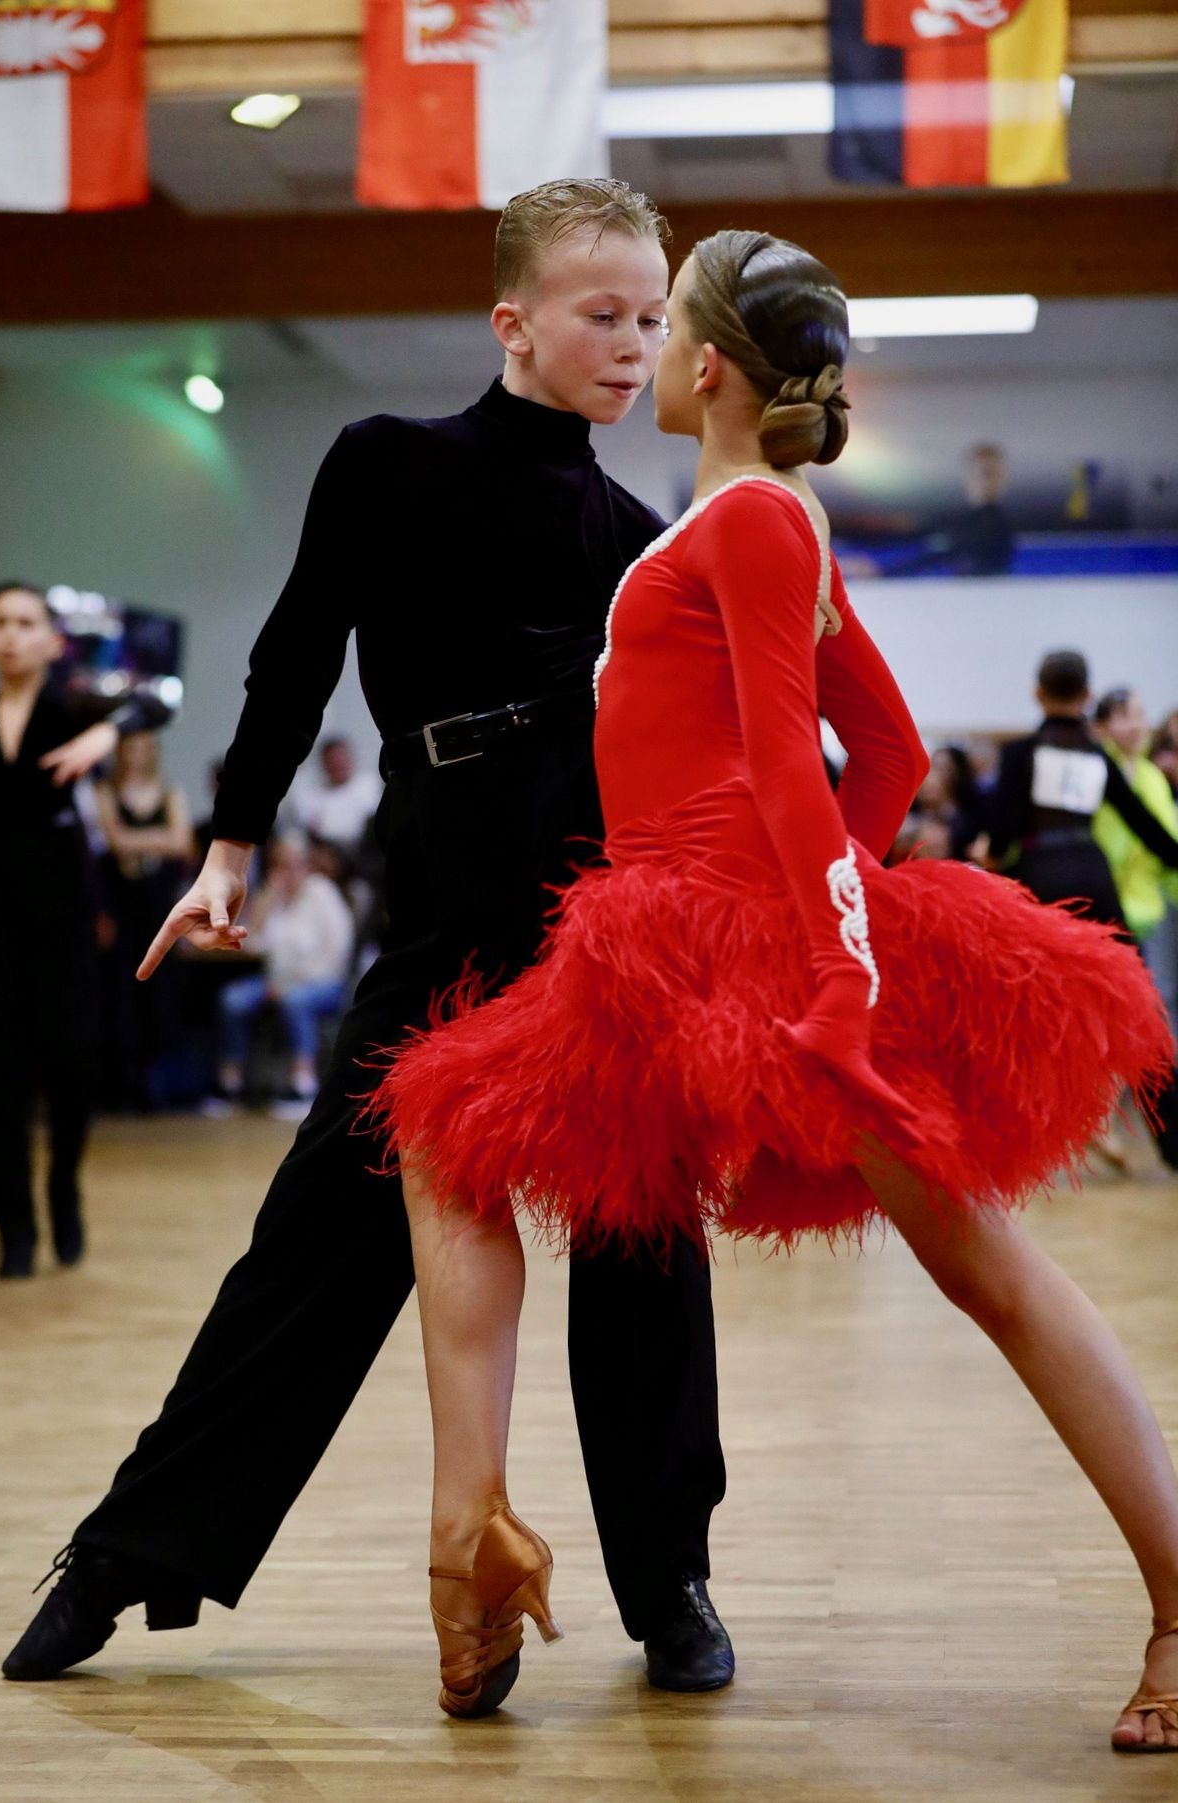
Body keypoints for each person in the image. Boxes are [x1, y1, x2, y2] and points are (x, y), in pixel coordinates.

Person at [376, 231, 1178, 1751]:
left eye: (663, 319)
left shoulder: (749, 519)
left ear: (706, 365)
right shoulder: (761, 520)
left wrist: (828, 961)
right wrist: (810, 908)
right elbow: (893, 751)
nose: (646, 347)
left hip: (733, 944)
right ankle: (467, 1532)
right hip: (677, 943)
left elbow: (789, 769)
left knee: (988, 1269)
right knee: (445, 1130)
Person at [3, 179, 733, 1700]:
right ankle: (128, 1552)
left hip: (605, 918)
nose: (634, 342)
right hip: (447, 910)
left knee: (644, 1240)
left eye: (652, 318)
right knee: (317, 1236)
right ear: (513, 321)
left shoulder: (639, 538)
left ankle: (671, 1579)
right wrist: (229, 847)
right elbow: (292, 655)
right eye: (604, 313)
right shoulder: (389, 462)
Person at [0, 582, 170, 1278]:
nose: (9, 634)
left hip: (62, 915)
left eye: (24, 622)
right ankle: (15, 1232)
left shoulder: (72, 710)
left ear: (52, 641)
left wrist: (107, 733)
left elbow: (160, 700)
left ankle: (63, 1192)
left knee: (72, 1066)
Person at [986, 651, 1178, 924]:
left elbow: (1004, 825)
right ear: (1088, 696)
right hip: (1092, 875)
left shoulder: (1020, 753)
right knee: (1114, 950)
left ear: (1038, 694)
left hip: (1038, 873)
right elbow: (1142, 820)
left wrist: (993, 854)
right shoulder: (1098, 756)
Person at [1092, 687, 1178, 1170]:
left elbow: (1168, 841)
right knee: (1119, 1021)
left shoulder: (1148, 776)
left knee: (1140, 1020)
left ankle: (1105, 1120)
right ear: (1103, 726)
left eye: (1140, 715)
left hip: (1146, 912)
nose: (1135, 724)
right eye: (1124, 716)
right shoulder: (1096, 771)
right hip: (1104, 911)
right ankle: (1099, 1120)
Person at [216, 831, 354, 1110]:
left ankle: (303, 1085)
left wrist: (298, 983)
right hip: (275, 982)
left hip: (322, 983)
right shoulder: (273, 896)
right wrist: (264, 904)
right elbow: (253, 945)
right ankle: (231, 1083)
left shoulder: (322, 892)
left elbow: (341, 948)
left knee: (295, 1001)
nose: (286, 872)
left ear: (306, 865)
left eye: (293, 865)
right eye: (279, 865)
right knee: (232, 999)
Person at [94, 731, 195, 1112]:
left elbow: (182, 842)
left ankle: (154, 1085)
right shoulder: (106, 791)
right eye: (130, 748)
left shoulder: (168, 791)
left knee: (160, 993)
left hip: (158, 906)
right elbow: (114, 841)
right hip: (121, 907)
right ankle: (121, 1083)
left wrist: (134, 839)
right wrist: (159, 837)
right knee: (120, 994)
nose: (136, 755)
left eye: (143, 748)